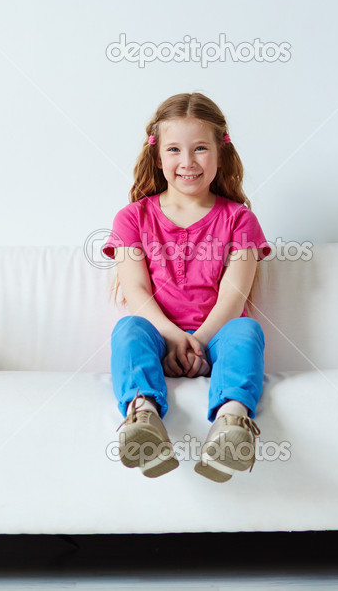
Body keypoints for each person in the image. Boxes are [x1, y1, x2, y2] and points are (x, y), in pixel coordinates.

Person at [101, 92, 271, 482]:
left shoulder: (239, 220)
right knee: (128, 329)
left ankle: (231, 425)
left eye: (200, 149)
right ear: (158, 156)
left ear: (220, 153)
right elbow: (137, 291)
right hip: (159, 336)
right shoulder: (133, 218)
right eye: (175, 149)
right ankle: (143, 417)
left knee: (246, 329)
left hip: (216, 339)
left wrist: (200, 341)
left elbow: (234, 295)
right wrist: (174, 337)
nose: (188, 162)